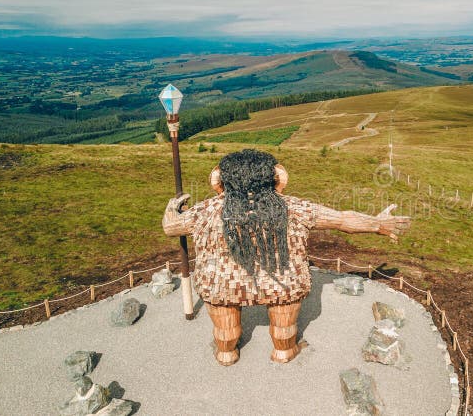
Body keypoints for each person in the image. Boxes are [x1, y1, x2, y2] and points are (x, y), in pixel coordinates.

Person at [162, 149, 410, 365]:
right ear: (278, 177)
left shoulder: (204, 211)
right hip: (282, 282)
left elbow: (171, 227)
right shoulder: (296, 208)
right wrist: (378, 224)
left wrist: (173, 207)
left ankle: (226, 353)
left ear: (218, 180)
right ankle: (284, 350)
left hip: (222, 284)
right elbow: (343, 220)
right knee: (284, 326)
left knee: (225, 329)